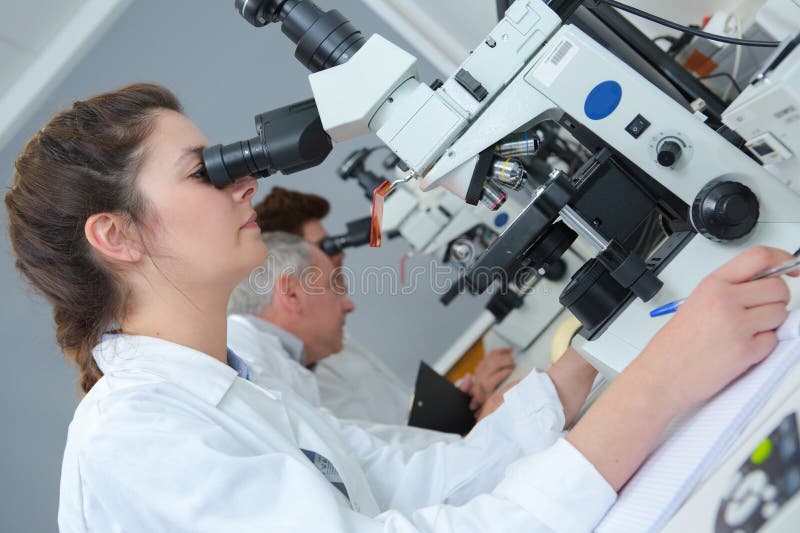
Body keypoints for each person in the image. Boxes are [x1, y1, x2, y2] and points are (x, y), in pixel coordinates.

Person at [7, 83, 795, 532]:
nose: (244, 182)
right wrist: (658, 386)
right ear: (116, 235)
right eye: (205, 171)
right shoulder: (138, 441)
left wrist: (595, 350)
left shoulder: (238, 383)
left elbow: (428, 478)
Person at [252, 186, 515, 422]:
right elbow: (383, 456)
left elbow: (398, 426)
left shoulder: (331, 331)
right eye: (324, 247)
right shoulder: (307, 364)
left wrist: (460, 402)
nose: (339, 252)